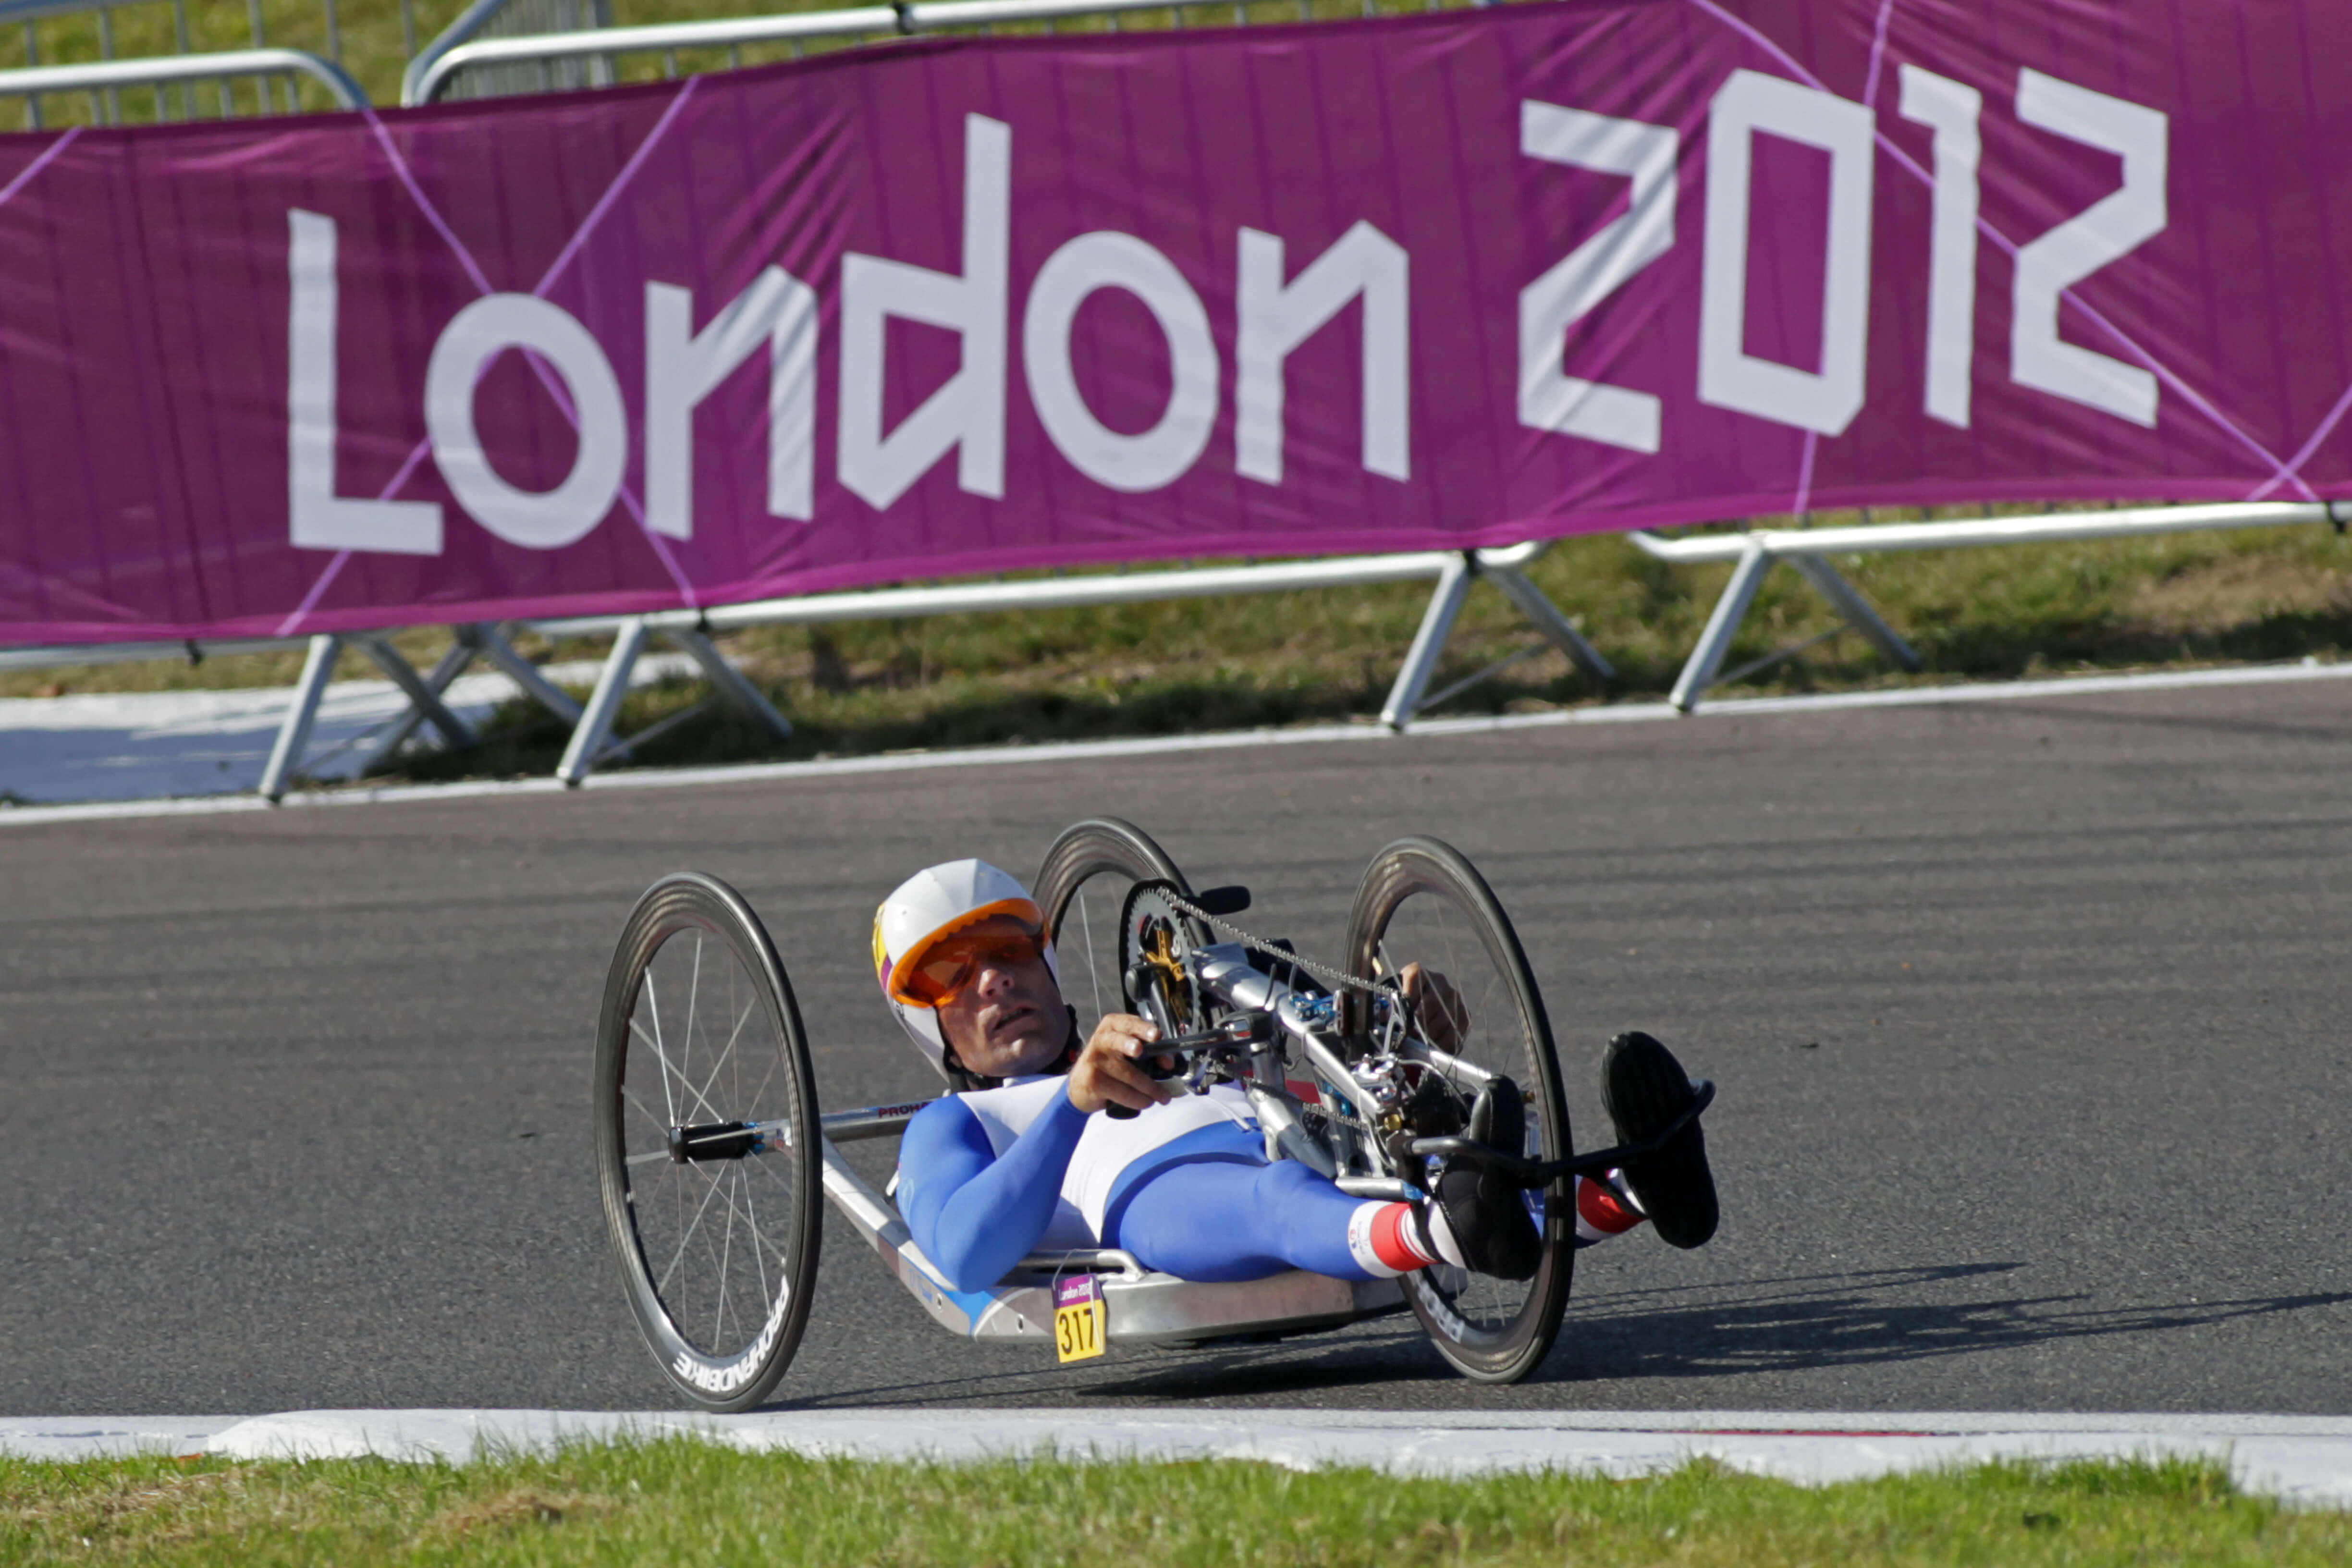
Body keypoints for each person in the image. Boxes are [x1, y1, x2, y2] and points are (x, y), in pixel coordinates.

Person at [875, 859, 1717, 1294]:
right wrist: (1071, 1101)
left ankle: (1635, 1186)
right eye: (952, 971)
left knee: (1392, 1127)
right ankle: (1443, 1233)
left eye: (1010, 950)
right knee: (1275, 1200)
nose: (992, 979)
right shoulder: (951, 1126)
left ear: (1046, 962)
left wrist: (1398, 1026)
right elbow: (963, 1252)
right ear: (924, 1015)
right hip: (1153, 1191)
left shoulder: (1147, 1024)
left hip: (1284, 1126)